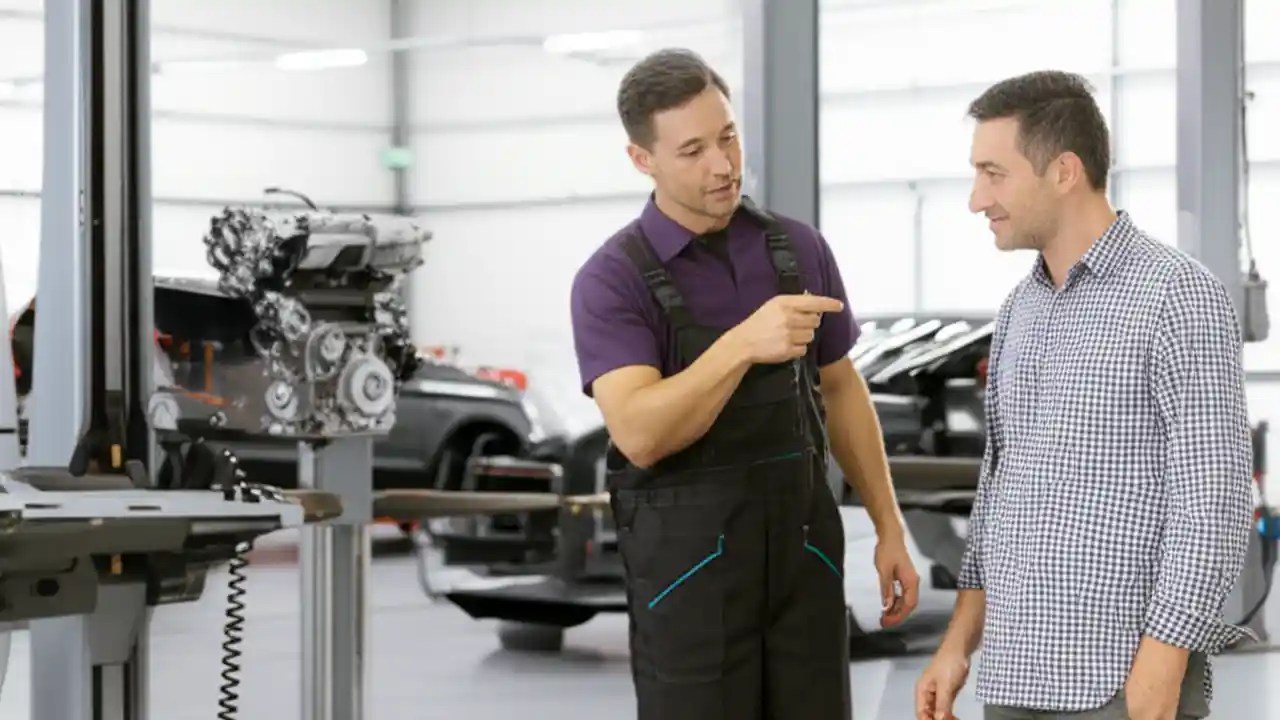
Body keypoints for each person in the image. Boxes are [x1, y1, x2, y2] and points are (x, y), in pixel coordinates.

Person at [569, 48, 921, 720]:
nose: (723, 165)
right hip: (690, 584)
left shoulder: (799, 249)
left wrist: (888, 525)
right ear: (642, 160)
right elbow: (640, 433)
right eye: (693, 150)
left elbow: (842, 390)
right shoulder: (611, 281)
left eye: (727, 136)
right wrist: (739, 347)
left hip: (804, 564)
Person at [914, 70, 1255, 720]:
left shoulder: (1176, 296)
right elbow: (999, 489)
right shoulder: (1020, 309)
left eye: (994, 173)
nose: (976, 198)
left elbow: (1212, 499)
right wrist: (958, 643)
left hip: (1121, 678)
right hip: (1015, 675)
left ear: (1064, 170)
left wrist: (1167, 652)